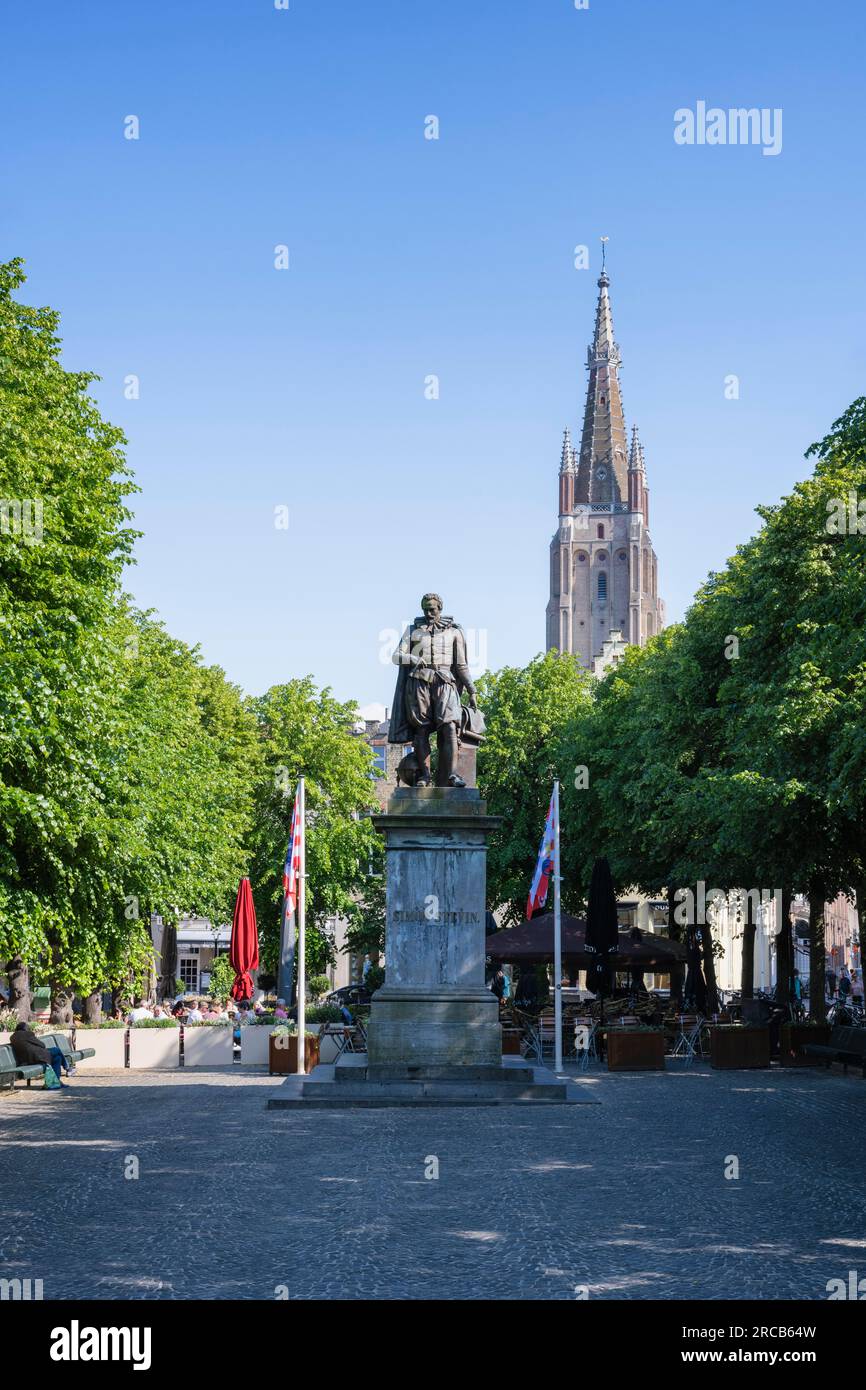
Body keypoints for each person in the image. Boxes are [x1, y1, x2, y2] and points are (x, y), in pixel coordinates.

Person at [10, 1022, 72, 1087]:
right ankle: (67, 1067)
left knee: (57, 1058)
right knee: (56, 1050)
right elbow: (42, 1045)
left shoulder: (13, 1037)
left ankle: (56, 1082)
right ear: (25, 1029)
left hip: (25, 1061)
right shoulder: (27, 1034)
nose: (29, 1029)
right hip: (36, 1058)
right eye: (28, 1028)